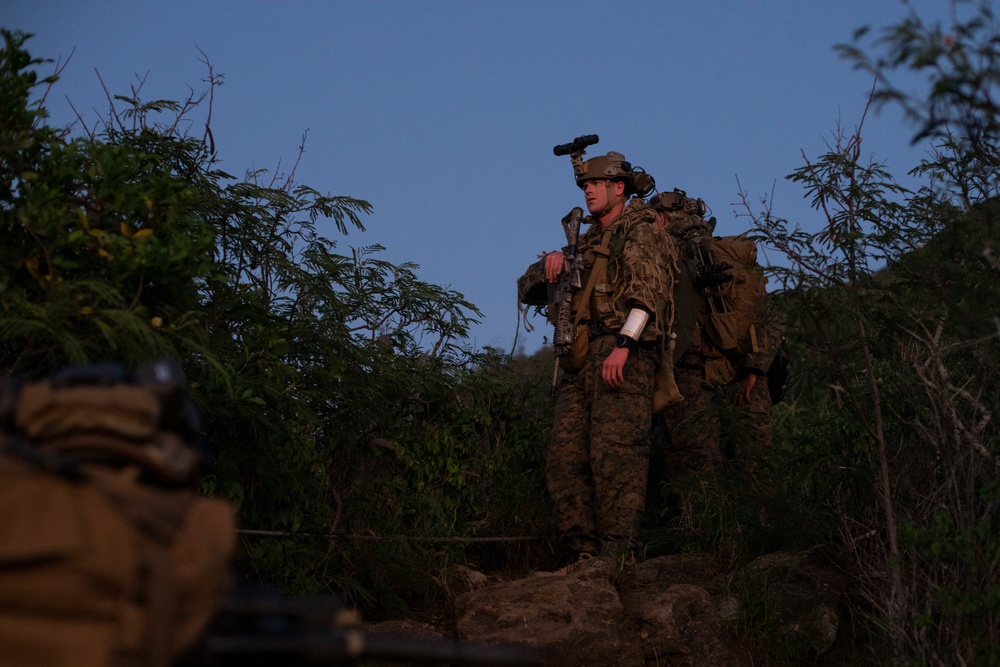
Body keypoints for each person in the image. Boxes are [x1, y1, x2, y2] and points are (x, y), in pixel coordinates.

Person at [529, 151, 672, 563]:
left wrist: (624, 346)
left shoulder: (639, 229)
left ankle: (618, 556)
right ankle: (584, 553)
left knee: (617, 454)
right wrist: (552, 262)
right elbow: (530, 286)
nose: (588, 191)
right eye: (585, 185)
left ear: (618, 188)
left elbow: (648, 295)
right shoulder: (585, 241)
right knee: (565, 456)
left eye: (595, 184)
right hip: (581, 354)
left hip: (621, 349)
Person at [648, 192, 780, 493]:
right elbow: (770, 320)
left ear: (664, 220)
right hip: (737, 373)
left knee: (700, 473)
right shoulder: (729, 256)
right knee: (751, 469)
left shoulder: (665, 262)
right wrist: (754, 370)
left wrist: (753, 371)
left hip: (702, 375)